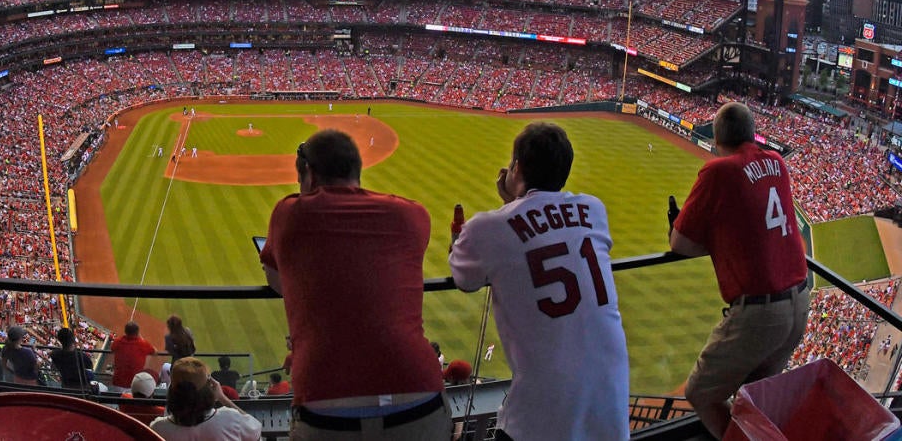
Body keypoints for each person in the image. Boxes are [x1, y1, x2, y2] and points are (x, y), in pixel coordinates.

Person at [261, 129, 451, 439]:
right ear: (357, 170)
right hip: (419, 395)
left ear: (308, 174)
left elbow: (277, 279)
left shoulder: (288, 214)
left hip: (325, 406)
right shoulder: (413, 214)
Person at [449, 121, 628, 441]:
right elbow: (539, 231)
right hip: (610, 414)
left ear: (515, 168)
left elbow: (465, 279)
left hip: (539, 420)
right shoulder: (594, 209)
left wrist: (508, 202)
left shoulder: (487, 227)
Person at [669, 101, 810, 439]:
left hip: (761, 313)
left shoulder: (719, 171)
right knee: (754, 399)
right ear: (752, 133)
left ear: (716, 139)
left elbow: (681, 244)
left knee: (700, 392)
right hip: (800, 303)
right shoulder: (776, 162)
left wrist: (684, 228)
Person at [149, 357, 261, 440]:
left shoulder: (157, 428)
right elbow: (256, 430)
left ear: (172, 392)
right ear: (208, 389)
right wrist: (223, 398)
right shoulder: (231, 419)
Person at [102, 321, 158, 389]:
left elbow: (112, 349)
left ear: (125, 331)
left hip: (117, 382)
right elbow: (155, 352)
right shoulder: (143, 344)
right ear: (137, 332)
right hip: (134, 385)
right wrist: (141, 338)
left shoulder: (118, 341)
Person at [50, 327, 95, 391]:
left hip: (66, 384)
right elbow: (90, 366)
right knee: (91, 375)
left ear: (60, 340)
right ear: (73, 339)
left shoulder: (54, 354)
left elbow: (53, 367)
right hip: (82, 386)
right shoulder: (81, 356)